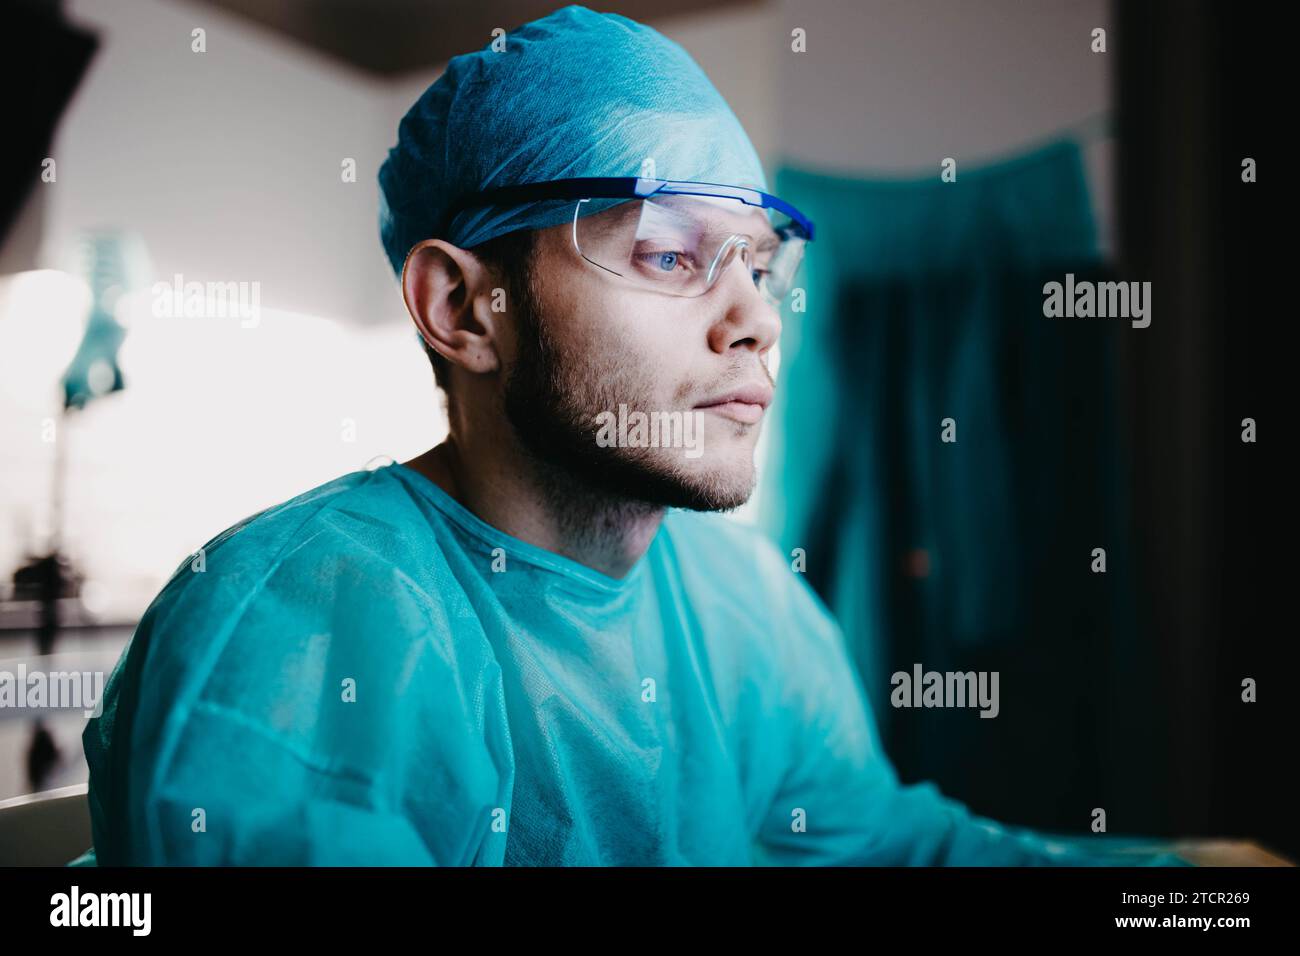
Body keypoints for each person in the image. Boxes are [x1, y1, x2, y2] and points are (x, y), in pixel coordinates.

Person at [74, 5, 1186, 866]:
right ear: (466, 310)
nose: (753, 317)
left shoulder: (742, 605)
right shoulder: (300, 638)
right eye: (667, 250)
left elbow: (896, 851)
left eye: (759, 259)